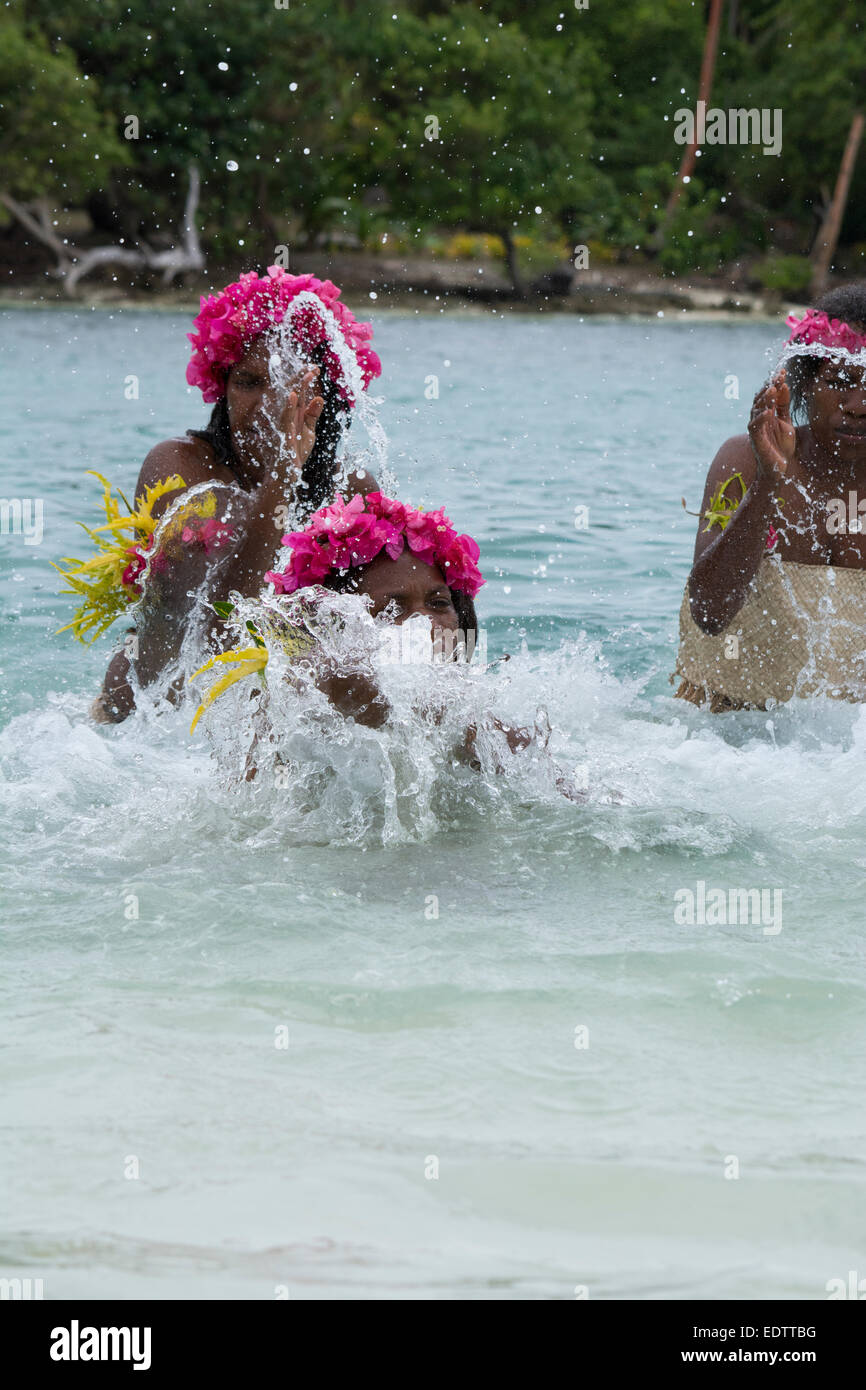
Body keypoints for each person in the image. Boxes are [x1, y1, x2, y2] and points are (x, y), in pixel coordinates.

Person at [88, 267, 381, 723]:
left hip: (266, 710)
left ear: (326, 395)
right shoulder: (180, 467)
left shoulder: (352, 487)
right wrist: (284, 474)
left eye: (291, 384)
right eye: (249, 382)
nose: (268, 402)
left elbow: (379, 616)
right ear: (220, 387)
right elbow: (213, 624)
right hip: (149, 721)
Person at [676, 284, 866, 711]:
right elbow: (708, 612)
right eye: (839, 382)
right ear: (802, 385)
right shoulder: (744, 460)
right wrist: (768, 481)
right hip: (728, 723)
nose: (859, 405)